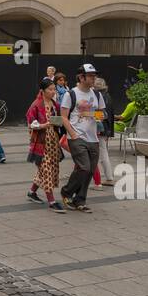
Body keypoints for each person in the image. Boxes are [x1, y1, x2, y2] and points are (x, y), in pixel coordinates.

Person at [59, 64, 102, 212]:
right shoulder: (70, 94)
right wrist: (73, 134)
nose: (93, 78)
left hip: (93, 138)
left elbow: (103, 114)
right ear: (81, 77)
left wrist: (94, 115)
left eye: (94, 75)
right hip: (77, 136)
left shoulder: (97, 94)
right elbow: (63, 117)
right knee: (84, 167)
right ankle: (66, 192)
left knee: (90, 171)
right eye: (90, 76)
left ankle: (80, 200)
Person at [26, 77, 66, 213]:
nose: (53, 91)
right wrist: (43, 125)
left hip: (53, 142)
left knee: (48, 169)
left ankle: (32, 192)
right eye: (50, 89)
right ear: (42, 91)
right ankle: (52, 201)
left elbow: (60, 121)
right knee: (47, 170)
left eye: (54, 89)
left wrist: (59, 123)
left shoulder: (55, 105)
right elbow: (31, 122)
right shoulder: (36, 104)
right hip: (40, 143)